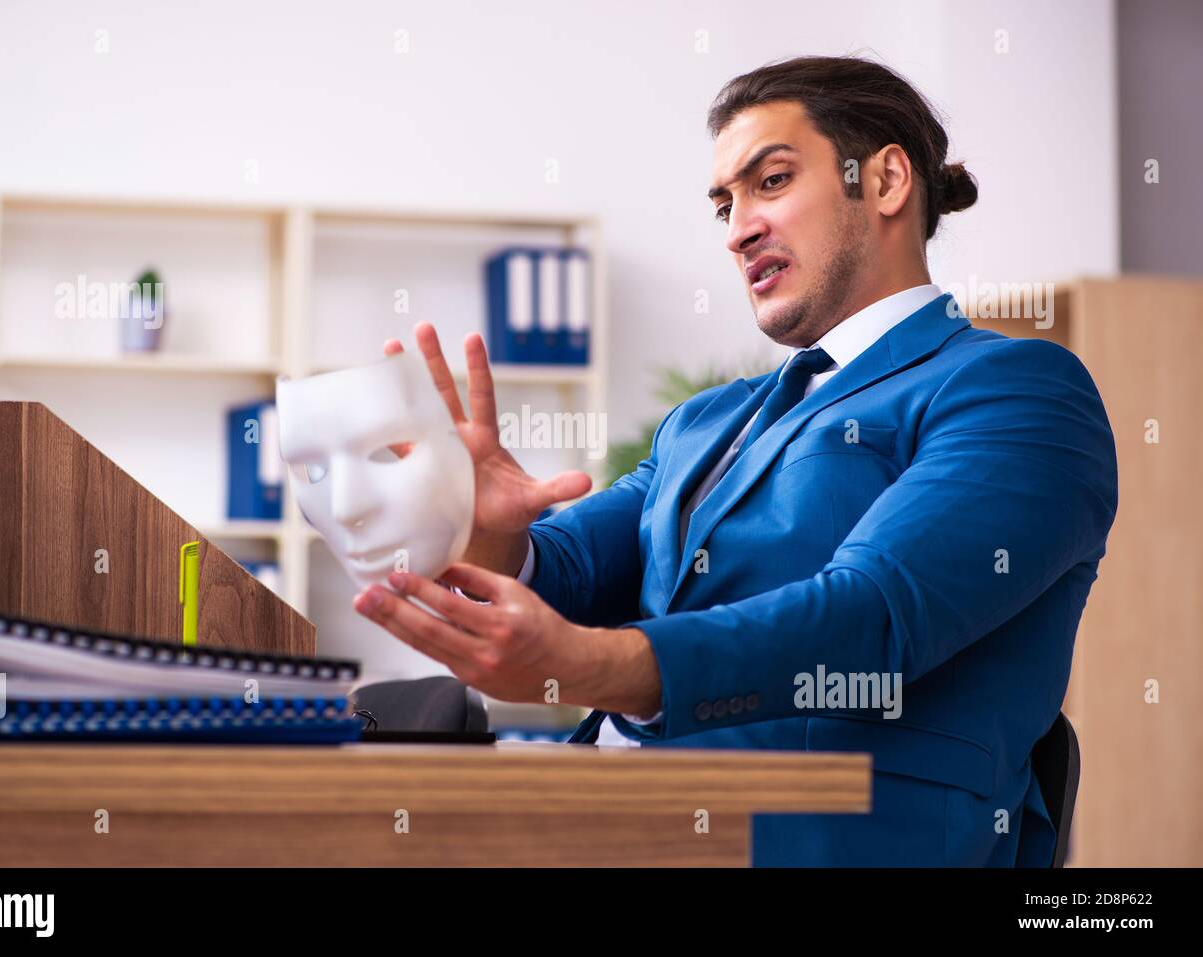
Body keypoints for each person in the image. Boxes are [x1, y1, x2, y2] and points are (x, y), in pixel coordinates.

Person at [354, 55, 1118, 866]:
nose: (737, 228)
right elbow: (568, 575)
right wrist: (490, 533)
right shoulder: (704, 421)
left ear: (888, 179)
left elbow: (874, 618)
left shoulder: (1016, 388)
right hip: (610, 819)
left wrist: (600, 667)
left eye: (772, 181)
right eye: (724, 203)